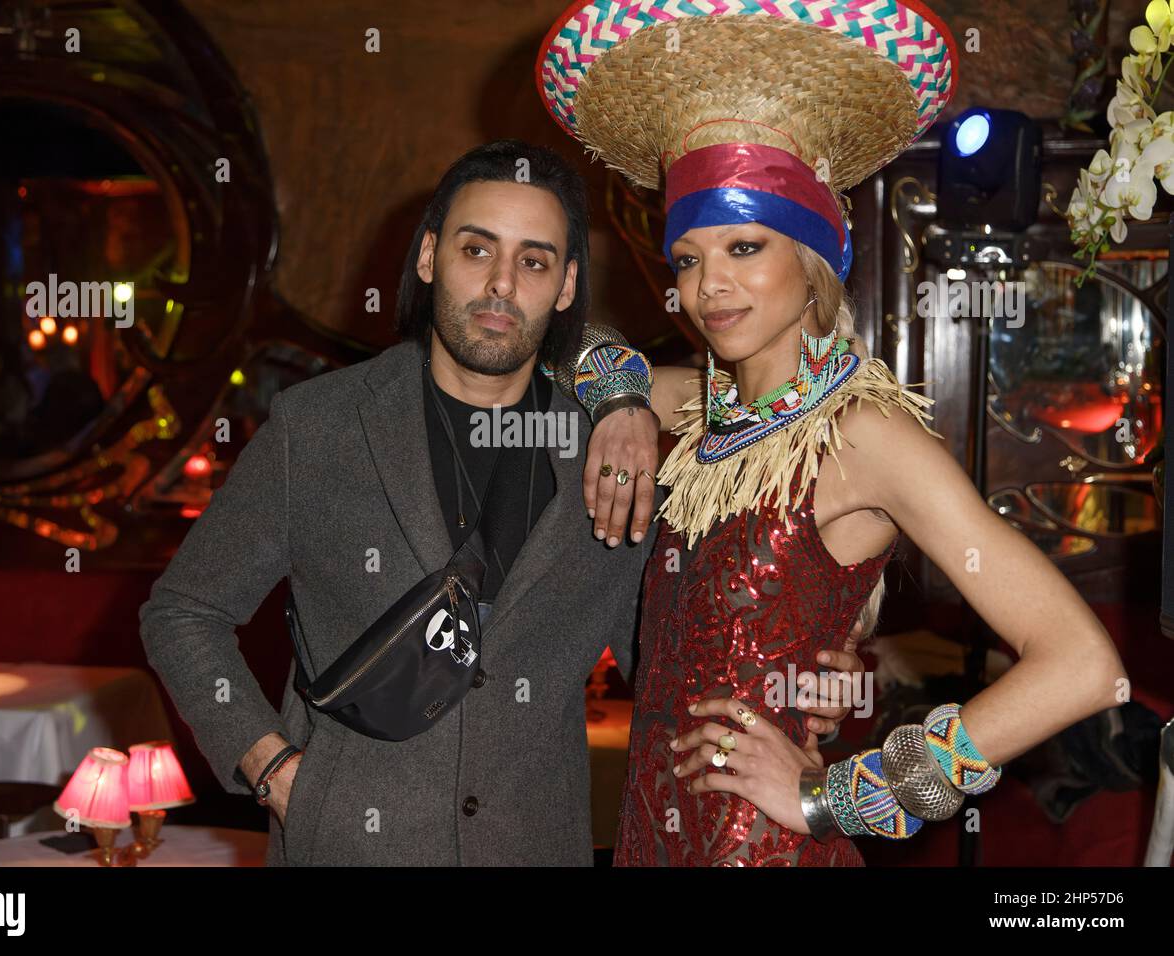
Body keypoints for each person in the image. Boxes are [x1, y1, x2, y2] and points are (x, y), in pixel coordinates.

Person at [138, 139, 859, 866]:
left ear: (568, 284)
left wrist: (791, 680)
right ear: (428, 258)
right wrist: (272, 770)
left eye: (535, 261)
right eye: (476, 250)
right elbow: (182, 612)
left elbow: (670, 662)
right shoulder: (317, 428)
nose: (502, 285)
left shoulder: (617, 456)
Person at [535, 0, 1128, 865]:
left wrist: (838, 796)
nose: (710, 288)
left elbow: (1080, 663)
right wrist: (624, 402)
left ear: (813, 259)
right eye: (690, 258)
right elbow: (554, 351)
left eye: (744, 248)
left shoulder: (863, 435)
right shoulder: (701, 411)